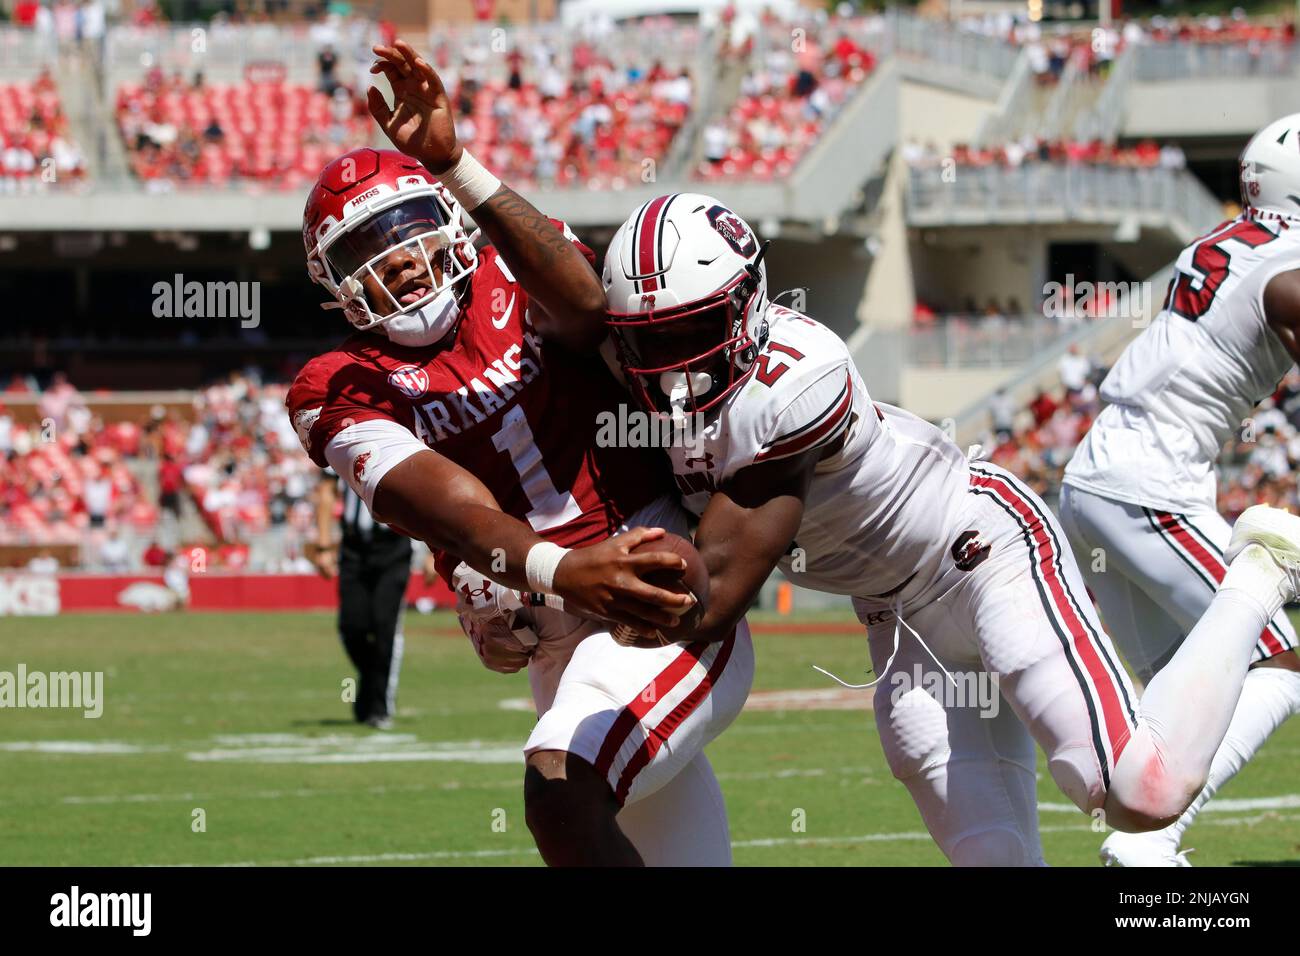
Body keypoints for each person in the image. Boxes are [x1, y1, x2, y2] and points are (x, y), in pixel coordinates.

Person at [600, 191, 1300, 866]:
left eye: (692, 333)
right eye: (649, 342)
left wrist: (565, 587)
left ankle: (1259, 573)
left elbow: (715, 594)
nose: (673, 369)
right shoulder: (638, 388)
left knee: (1140, 789)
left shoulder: (796, 378)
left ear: (748, 306)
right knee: (992, 855)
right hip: (895, 612)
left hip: (981, 552)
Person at [285, 41, 752, 866]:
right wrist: (503, 582)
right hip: (552, 620)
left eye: (405, 230)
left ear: (449, 220)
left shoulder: (510, 265)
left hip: (652, 569)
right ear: (336, 286)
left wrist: (456, 162)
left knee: (561, 791)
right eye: (365, 252)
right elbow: (445, 507)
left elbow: (585, 305)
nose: (394, 257)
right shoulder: (337, 384)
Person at [1060, 113, 1300, 866]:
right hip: (1148, 488)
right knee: (1282, 658)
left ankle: (1146, 845)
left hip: (1104, 482)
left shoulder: (1226, 242)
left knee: (1186, 684)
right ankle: (1152, 837)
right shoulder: (1285, 268)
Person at [312, 467, 419, 729]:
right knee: (351, 626)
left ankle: (378, 709)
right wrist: (324, 545)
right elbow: (326, 492)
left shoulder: (402, 437)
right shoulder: (342, 438)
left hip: (393, 547)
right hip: (353, 547)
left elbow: (422, 494)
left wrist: (432, 549)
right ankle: (370, 680)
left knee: (385, 627)